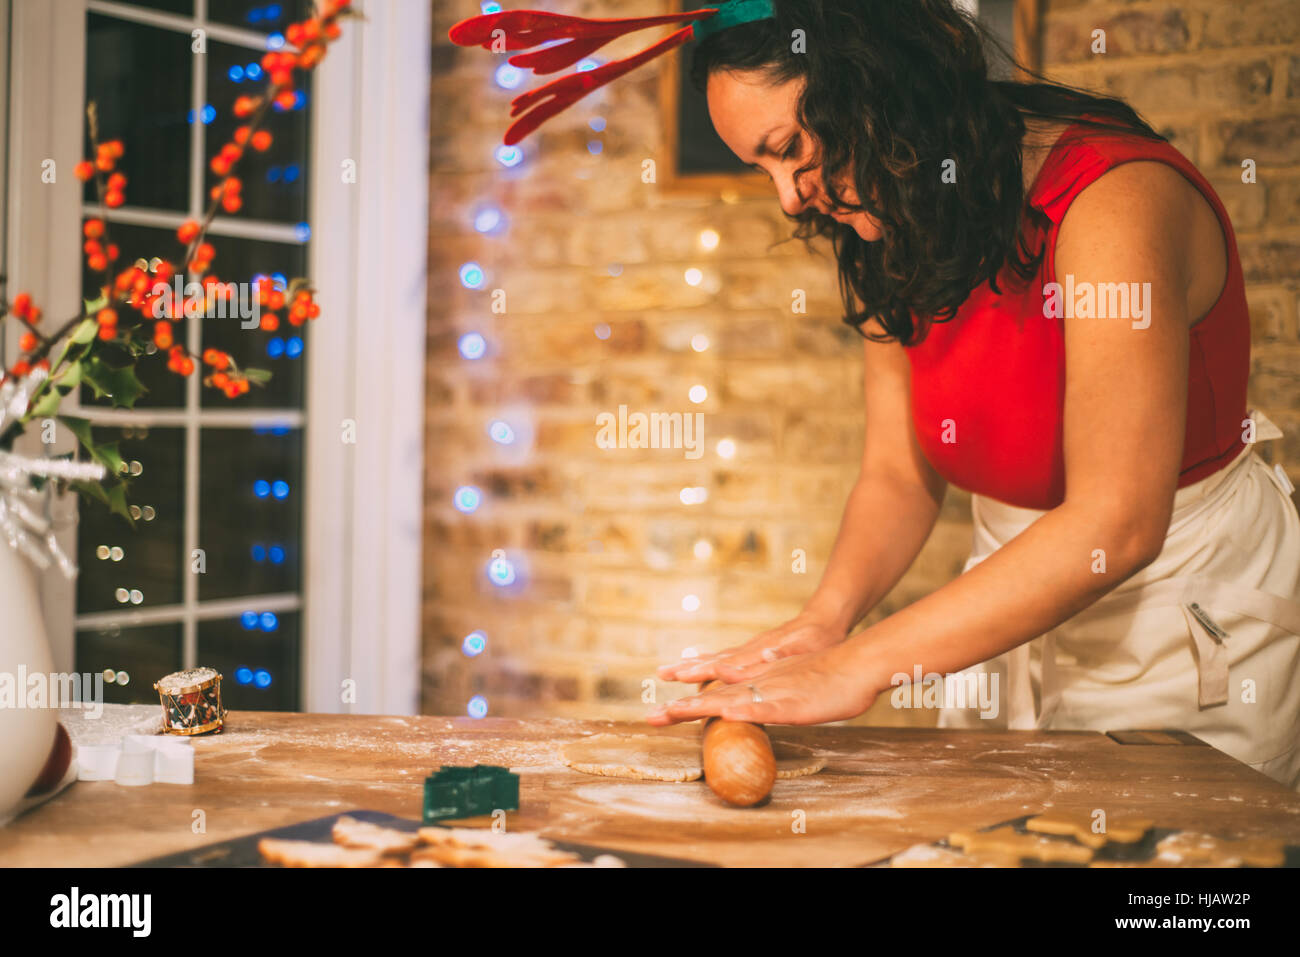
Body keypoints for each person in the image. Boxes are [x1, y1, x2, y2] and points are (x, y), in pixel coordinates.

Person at [646, 0, 1300, 791]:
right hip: (1004, 610)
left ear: (875, 80)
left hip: (1182, 616)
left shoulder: (1113, 200)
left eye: (790, 150)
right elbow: (899, 472)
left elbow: (1117, 522)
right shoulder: (894, 208)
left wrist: (862, 665)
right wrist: (826, 621)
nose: (789, 197)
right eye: (764, 169)